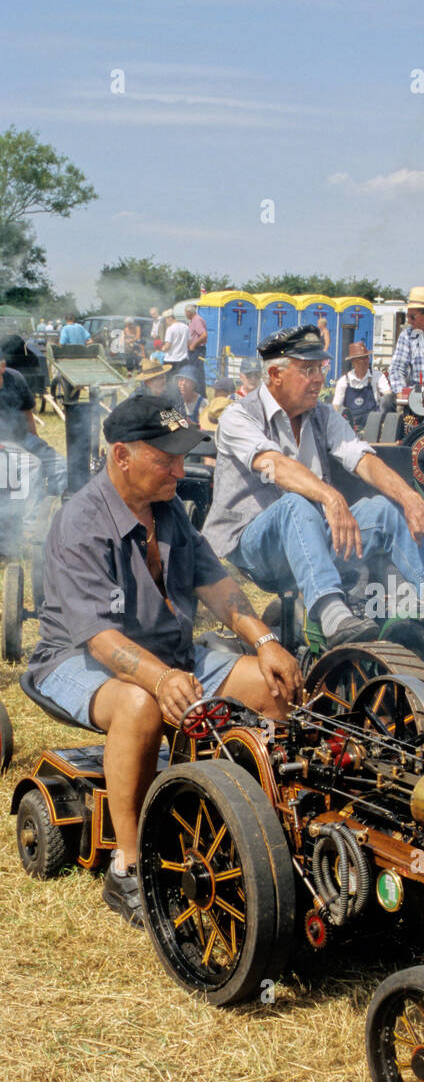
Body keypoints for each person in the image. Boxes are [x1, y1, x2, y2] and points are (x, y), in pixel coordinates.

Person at [28, 391, 302, 927]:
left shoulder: (170, 507)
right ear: (122, 455)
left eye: (182, 455)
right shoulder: (79, 522)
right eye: (166, 457)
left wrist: (264, 640)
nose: (180, 468)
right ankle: (128, 865)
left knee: (270, 688)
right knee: (138, 705)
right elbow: (100, 640)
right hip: (74, 658)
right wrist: (159, 679)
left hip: (169, 654)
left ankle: (257, 834)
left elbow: (218, 586)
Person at [202, 325, 424, 647]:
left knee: (382, 510)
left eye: (320, 368)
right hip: (255, 544)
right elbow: (276, 466)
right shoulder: (238, 417)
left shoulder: (322, 414)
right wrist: (331, 497)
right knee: (295, 505)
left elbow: (362, 458)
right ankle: (333, 615)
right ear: (274, 374)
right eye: (307, 369)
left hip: (310, 532)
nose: (319, 379)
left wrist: (409, 497)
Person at [0, 357, 67, 549]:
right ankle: (28, 530)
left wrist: (36, 441)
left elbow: (27, 412)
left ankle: (57, 520)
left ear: (3, 366)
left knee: (61, 466)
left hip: (23, 437)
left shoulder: (15, 379)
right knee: (32, 465)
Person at [331, 342, 390, 430]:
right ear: (353, 362)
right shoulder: (343, 381)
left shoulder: (378, 376)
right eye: (361, 359)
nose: (365, 361)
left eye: (366, 357)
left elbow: (388, 394)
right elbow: (336, 406)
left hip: (373, 425)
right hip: (350, 425)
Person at [185, 305, 208, 396]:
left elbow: (204, 335)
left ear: (189, 312)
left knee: (197, 372)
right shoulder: (194, 320)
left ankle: (200, 394)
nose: (185, 314)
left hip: (197, 350)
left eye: (186, 312)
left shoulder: (196, 320)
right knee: (195, 371)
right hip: (196, 350)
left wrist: (194, 344)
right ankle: (197, 393)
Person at [161, 311, 190, 376]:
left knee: (169, 380)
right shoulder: (186, 327)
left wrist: (163, 348)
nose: (166, 322)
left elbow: (168, 346)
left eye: (166, 319)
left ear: (170, 318)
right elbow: (189, 343)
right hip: (183, 359)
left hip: (171, 359)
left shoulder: (170, 329)